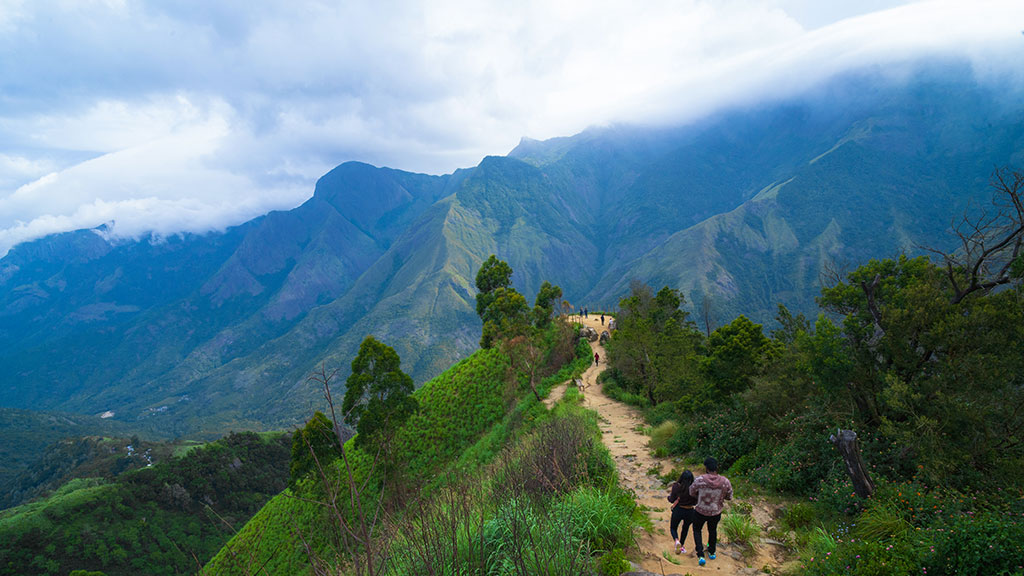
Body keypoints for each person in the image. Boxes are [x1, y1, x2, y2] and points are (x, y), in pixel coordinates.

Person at [689, 456, 732, 566]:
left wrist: (699, 496)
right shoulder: (725, 481)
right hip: (715, 511)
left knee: (697, 530)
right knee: (712, 530)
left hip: (700, 510)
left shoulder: (699, 480)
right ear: (716, 467)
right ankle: (712, 552)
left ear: (706, 468)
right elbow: (729, 496)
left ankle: (700, 554)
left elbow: (691, 492)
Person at [667, 469, 697, 555]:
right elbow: (696, 502)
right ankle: (682, 545)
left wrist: (668, 498)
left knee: (673, 527)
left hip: (678, 509)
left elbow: (672, 499)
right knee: (685, 528)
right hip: (690, 510)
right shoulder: (694, 488)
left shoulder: (676, 486)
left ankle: (676, 540)